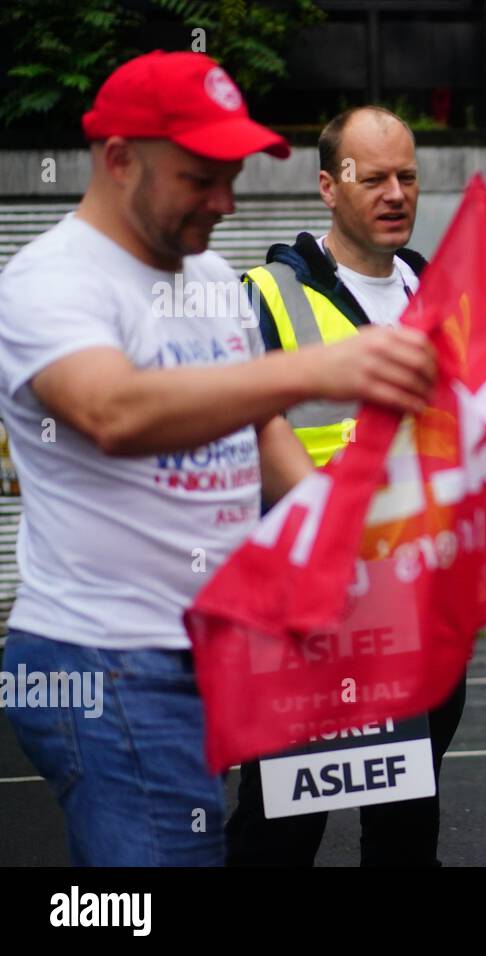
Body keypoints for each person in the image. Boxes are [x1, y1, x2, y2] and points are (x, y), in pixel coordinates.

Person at [0, 52, 435, 866]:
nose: (225, 202)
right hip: (110, 663)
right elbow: (111, 411)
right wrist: (317, 367)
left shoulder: (201, 270)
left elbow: (258, 428)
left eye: (231, 177)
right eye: (201, 178)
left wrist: (333, 534)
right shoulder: (50, 280)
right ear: (120, 159)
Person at [223, 106, 466, 867]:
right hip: (311, 618)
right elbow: (246, 434)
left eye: (408, 177)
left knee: (404, 830)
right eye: (374, 178)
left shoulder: (441, 291)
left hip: (423, 613)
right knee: (281, 831)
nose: (395, 193)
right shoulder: (265, 294)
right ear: (330, 186)